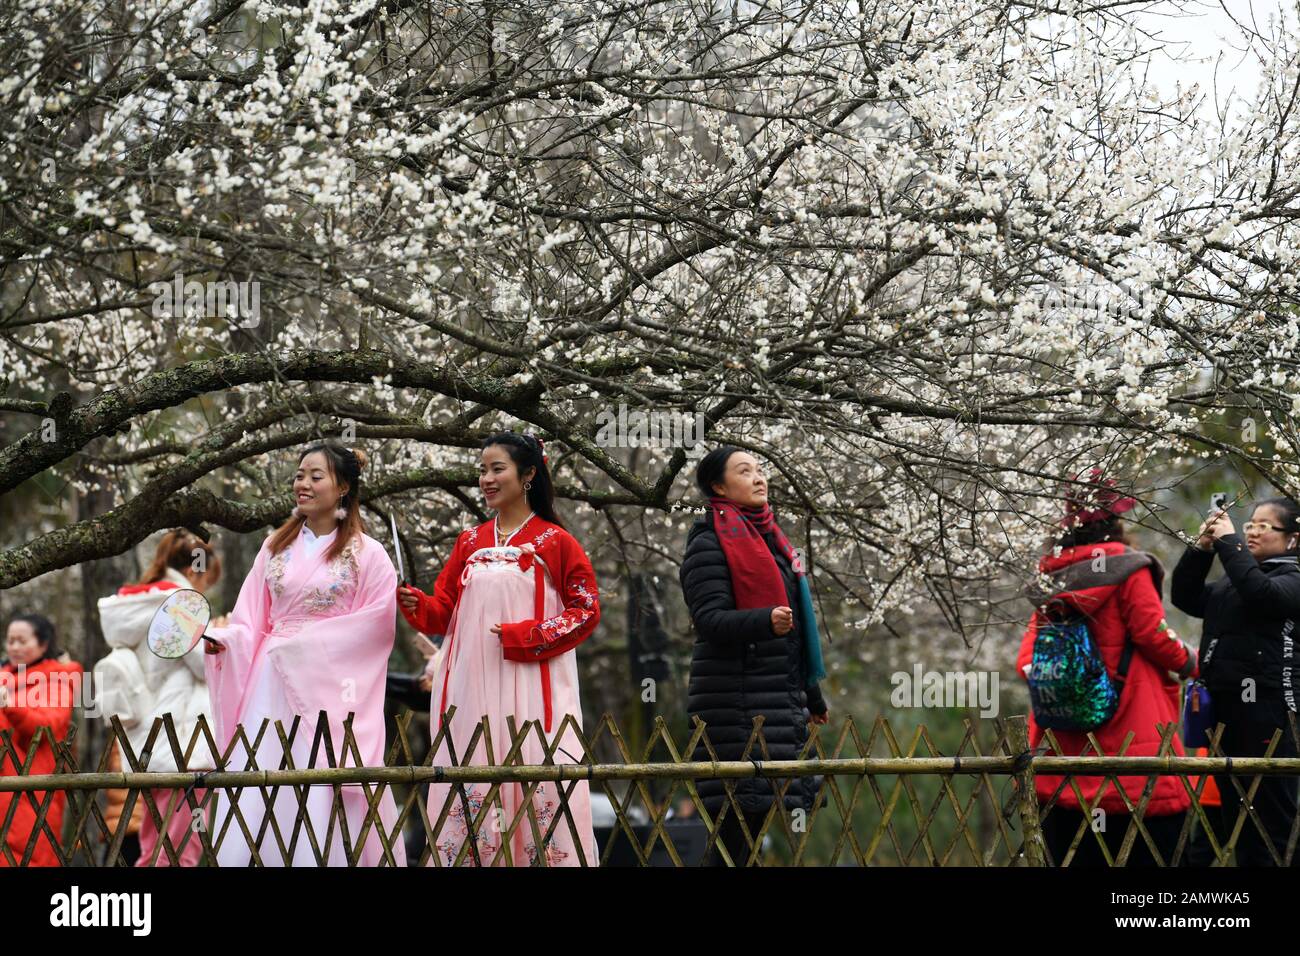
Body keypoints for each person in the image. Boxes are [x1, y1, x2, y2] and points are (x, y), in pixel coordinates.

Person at [397, 432, 600, 866]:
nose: (486, 479)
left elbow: (585, 610)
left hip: (532, 679)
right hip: (473, 685)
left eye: (496, 469)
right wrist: (419, 605)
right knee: (473, 768)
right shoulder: (469, 542)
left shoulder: (556, 541)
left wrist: (525, 636)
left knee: (536, 775)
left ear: (528, 475)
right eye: (482, 470)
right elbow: (442, 613)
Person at [203, 441, 406, 866]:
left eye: (316, 476)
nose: (304, 484)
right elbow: (250, 620)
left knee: (318, 780)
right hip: (269, 680)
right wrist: (226, 641)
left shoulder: (368, 554)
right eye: (299, 475)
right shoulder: (273, 547)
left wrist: (309, 648)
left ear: (344, 487)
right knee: (263, 776)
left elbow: (375, 626)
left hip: (328, 685)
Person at [1016, 469, 1197, 866]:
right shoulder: (1130, 569)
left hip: (1061, 752)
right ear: (1116, 519)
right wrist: (1192, 663)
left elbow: (1025, 662)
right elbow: (1153, 635)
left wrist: (1066, 685)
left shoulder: (1051, 578)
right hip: (1133, 734)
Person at [678, 446, 830, 867]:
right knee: (733, 830)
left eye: (761, 469)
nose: (759, 478)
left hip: (777, 702)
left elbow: (794, 630)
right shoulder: (709, 544)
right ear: (719, 486)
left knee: (751, 831)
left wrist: (811, 696)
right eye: (745, 472)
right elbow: (709, 619)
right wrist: (763, 621)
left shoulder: (772, 541)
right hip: (736, 704)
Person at [1171, 495, 1300, 866]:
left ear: (1292, 538)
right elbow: (1186, 596)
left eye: (1265, 526)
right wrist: (1203, 548)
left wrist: (1230, 542)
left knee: (1269, 825)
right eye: (1250, 524)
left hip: (1270, 713)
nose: (1253, 532)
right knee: (1240, 821)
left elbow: (1263, 596)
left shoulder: (1291, 578)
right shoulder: (1236, 581)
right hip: (1225, 713)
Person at [96, 528, 221, 866]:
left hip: (150, 740)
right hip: (182, 742)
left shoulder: (139, 603)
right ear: (198, 568)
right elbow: (204, 667)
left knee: (155, 845)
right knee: (181, 849)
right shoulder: (181, 602)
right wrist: (222, 640)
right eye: (208, 578)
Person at [0, 614, 83, 867]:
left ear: (43, 644)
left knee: (31, 854)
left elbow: (46, 726)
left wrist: (9, 706)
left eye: (22, 640)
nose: (13, 647)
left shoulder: (58, 680)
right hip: (5, 781)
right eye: (10, 640)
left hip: (33, 784)